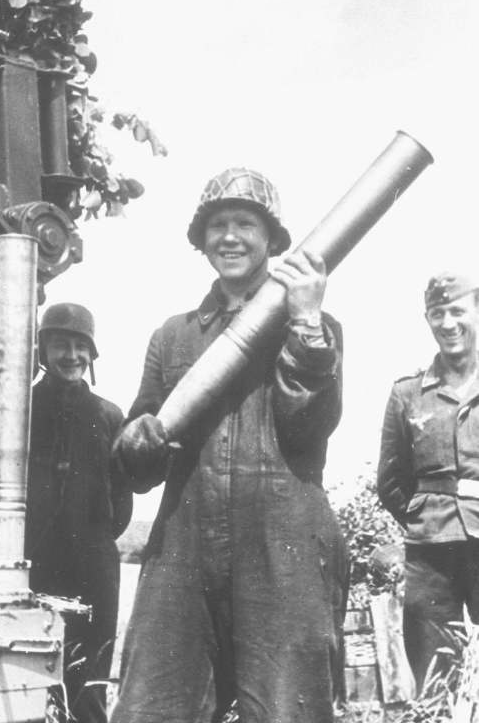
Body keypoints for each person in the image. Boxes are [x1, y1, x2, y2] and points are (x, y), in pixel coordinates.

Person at [111, 168, 347, 723]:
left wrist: (306, 323)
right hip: (183, 546)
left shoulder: (315, 325)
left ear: (272, 239)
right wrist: (137, 440)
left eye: (246, 222)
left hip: (282, 543)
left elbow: (308, 426)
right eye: (218, 224)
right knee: (153, 706)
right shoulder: (174, 335)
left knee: (291, 710)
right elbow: (137, 465)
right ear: (201, 239)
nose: (231, 237)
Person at [0, 302, 133, 723]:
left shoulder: (109, 415)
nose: (71, 355)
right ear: (42, 351)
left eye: (80, 346)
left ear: (92, 355)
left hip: (93, 569)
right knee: (21, 676)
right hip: (30, 565)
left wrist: (88, 539)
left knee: (89, 683)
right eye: (60, 344)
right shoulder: (13, 414)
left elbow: (121, 508)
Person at [378, 273, 479, 692]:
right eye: (438, 314)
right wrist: (425, 515)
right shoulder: (408, 393)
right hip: (431, 553)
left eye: (458, 311)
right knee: (436, 675)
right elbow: (390, 481)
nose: (448, 323)